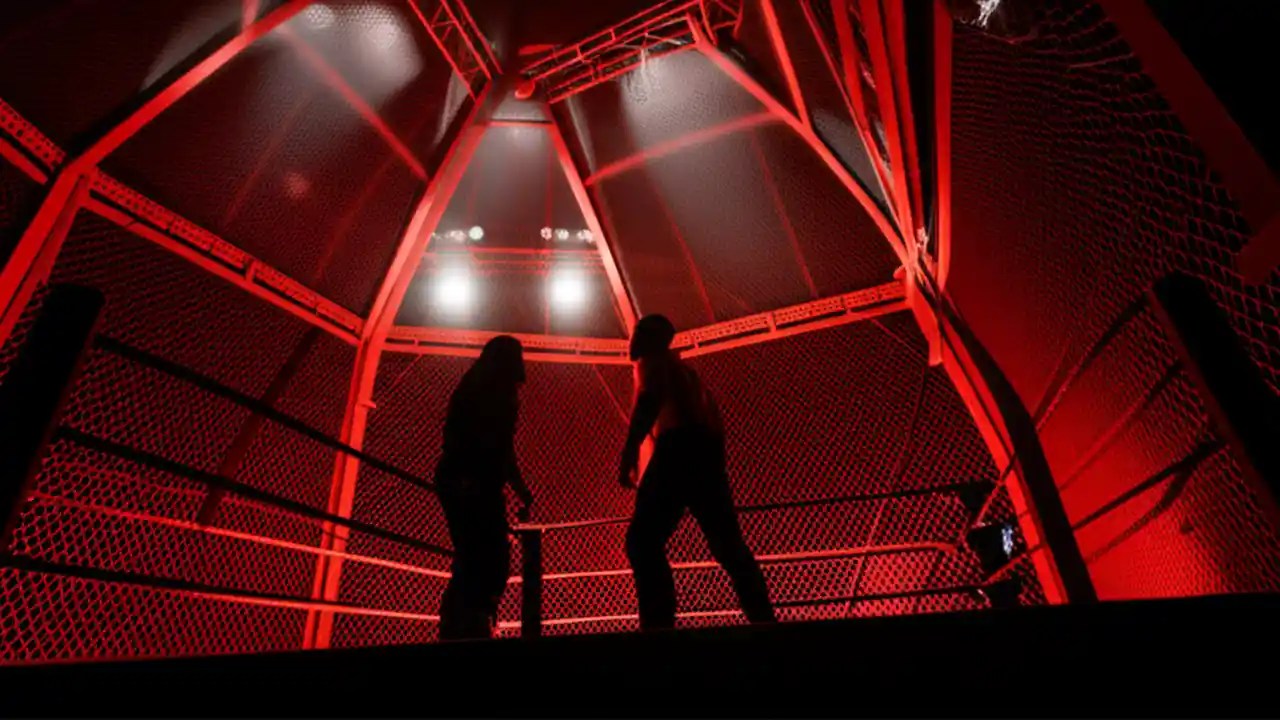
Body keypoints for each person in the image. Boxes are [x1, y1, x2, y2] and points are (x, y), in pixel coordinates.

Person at [617, 315, 776, 630]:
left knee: (642, 541)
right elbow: (713, 423)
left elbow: (649, 401)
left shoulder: (653, 364)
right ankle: (764, 619)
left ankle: (658, 623)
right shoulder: (686, 374)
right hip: (704, 453)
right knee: (728, 545)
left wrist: (629, 452)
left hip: (678, 449)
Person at [436, 335, 534, 641]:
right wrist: (517, 486)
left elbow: (497, 446)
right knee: (486, 555)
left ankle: (462, 623)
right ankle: (470, 622)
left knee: (475, 554)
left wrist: (515, 485)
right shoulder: (497, 394)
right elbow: (502, 446)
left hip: (463, 480)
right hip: (474, 483)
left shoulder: (475, 387)